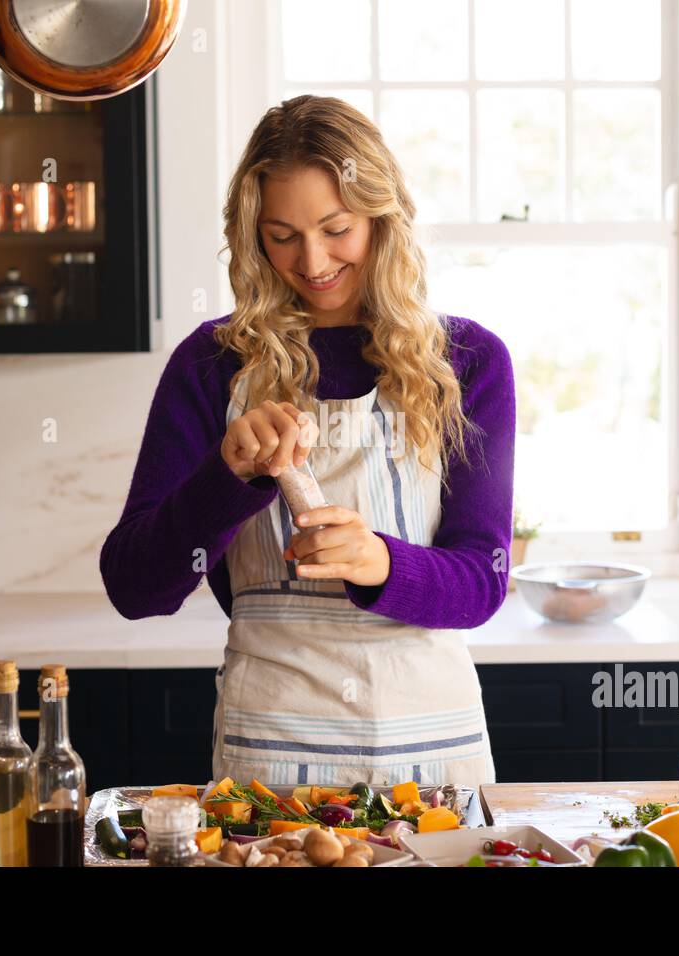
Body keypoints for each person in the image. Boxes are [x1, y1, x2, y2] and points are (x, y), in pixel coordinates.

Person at [101, 96, 515, 790]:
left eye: (336, 228)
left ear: (381, 218)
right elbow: (135, 587)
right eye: (282, 234)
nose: (313, 260)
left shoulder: (468, 361)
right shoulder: (212, 365)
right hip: (272, 759)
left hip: (434, 756)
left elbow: (484, 579)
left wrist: (379, 561)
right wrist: (227, 476)